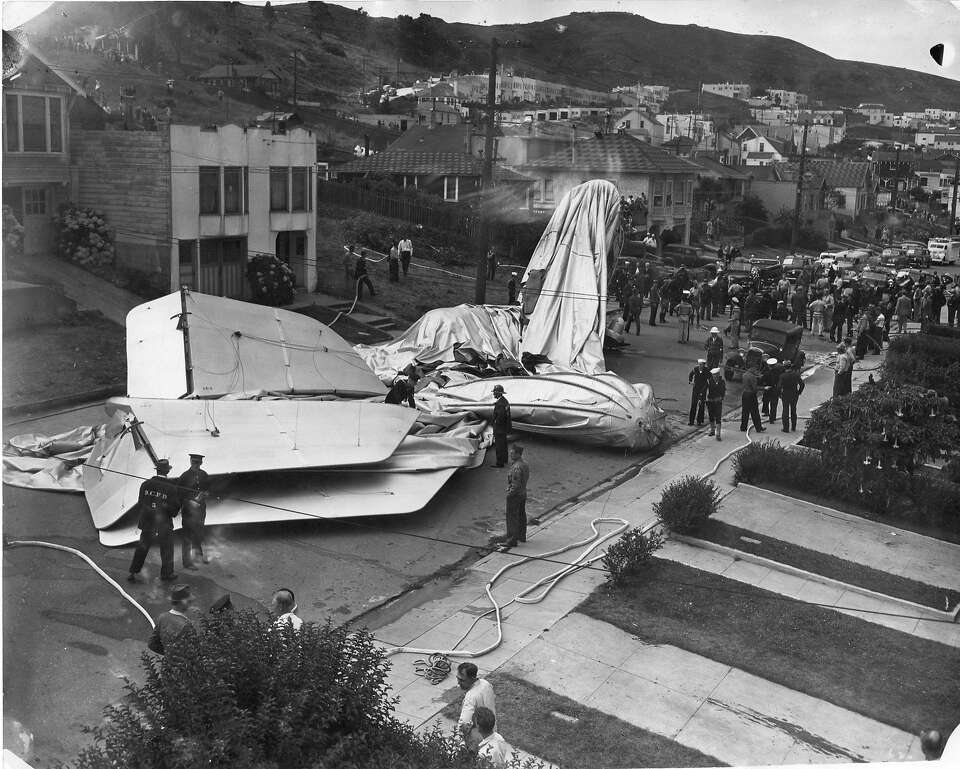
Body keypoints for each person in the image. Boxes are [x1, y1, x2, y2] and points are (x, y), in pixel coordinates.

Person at [128, 459, 181, 583]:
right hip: (164, 523)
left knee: (142, 546)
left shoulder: (145, 484)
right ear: (167, 471)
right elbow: (174, 510)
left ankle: (133, 572)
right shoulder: (172, 488)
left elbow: (141, 503)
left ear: (157, 470)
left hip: (147, 521)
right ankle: (167, 574)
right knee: (167, 548)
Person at [178, 453, 211, 570]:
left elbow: (209, 489)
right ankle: (187, 562)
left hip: (201, 510)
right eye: (193, 462)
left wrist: (205, 494)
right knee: (187, 536)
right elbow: (179, 494)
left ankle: (198, 556)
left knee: (199, 532)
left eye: (197, 462)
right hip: (188, 511)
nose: (195, 465)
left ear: (201, 463)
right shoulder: (184, 476)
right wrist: (190, 502)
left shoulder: (204, 475)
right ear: (190, 462)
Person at [457, 663, 496, 751]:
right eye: (457, 678)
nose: (458, 682)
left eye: (462, 680)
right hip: (491, 731)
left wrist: (460, 742)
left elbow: (464, 724)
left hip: (477, 742)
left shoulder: (471, 697)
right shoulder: (486, 684)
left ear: (472, 678)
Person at [147, 583, 194, 655]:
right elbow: (194, 654)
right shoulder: (186, 625)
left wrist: (169, 655)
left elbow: (152, 644)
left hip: (168, 663)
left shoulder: (162, 617)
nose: (190, 602)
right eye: (189, 600)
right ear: (183, 602)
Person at [500, 444, 529, 550]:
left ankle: (511, 540)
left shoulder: (516, 467)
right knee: (521, 515)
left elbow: (515, 485)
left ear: (518, 454)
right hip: (523, 493)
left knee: (512, 517)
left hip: (515, 495)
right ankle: (522, 536)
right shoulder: (525, 464)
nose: (510, 454)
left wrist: (509, 494)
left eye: (512, 453)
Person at [778, 362, 805, 433]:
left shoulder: (782, 376)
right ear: (791, 367)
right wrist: (799, 392)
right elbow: (802, 384)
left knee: (785, 411)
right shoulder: (796, 375)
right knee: (793, 410)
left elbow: (779, 387)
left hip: (785, 394)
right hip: (794, 394)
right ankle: (793, 427)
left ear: (784, 367)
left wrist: (780, 394)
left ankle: (786, 428)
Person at [739, 366, 766, 432]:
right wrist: (763, 388)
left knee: (745, 412)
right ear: (752, 368)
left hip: (745, 394)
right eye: (755, 369)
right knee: (755, 412)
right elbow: (754, 388)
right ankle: (758, 427)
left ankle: (743, 427)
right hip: (751, 395)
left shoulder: (744, 374)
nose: (756, 371)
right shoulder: (752, 376)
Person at [491, 384, 511, 468]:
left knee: (499, 445)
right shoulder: (505, 401)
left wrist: (495, 423)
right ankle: (505, 460)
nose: (493, 394)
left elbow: (501, 416)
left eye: (494, 392)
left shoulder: (500, 403)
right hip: (504, 427)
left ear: (499, 393)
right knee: (504, 444)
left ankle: (500, 463)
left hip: (499, 428)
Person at [706, 367, 726, 440]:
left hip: (718, 402)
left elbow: (723, 391)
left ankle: (718, 434)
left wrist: (722, 397)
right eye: (714, 375)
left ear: (718, 374)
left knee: (718, 417)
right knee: (711, 416)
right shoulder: (709, 381)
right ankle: (712, 430)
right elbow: (705, 390)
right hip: (710, 401)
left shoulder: (722, 382)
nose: (715, 376)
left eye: (716, 375)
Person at [688, 358, 709, 426]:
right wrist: (690, 381)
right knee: (693, 405)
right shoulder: (695, 369)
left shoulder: (706, 370)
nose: (700, 366)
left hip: (703, 389)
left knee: (701, 405)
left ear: (704, 365)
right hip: (696, 389)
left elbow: (709, 379)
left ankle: (699, 421)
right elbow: (690, 375)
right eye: (699, 364)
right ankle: (691, 421)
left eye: (701, 365)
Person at [761, 358, 782, 424]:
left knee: (766, 401)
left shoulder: (767, 373)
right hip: (775, 390)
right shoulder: (779, 372)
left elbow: (762, 380)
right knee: (774, 404)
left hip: (768, 389)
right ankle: (772, 418)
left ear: (769, 365)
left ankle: (766, 412)